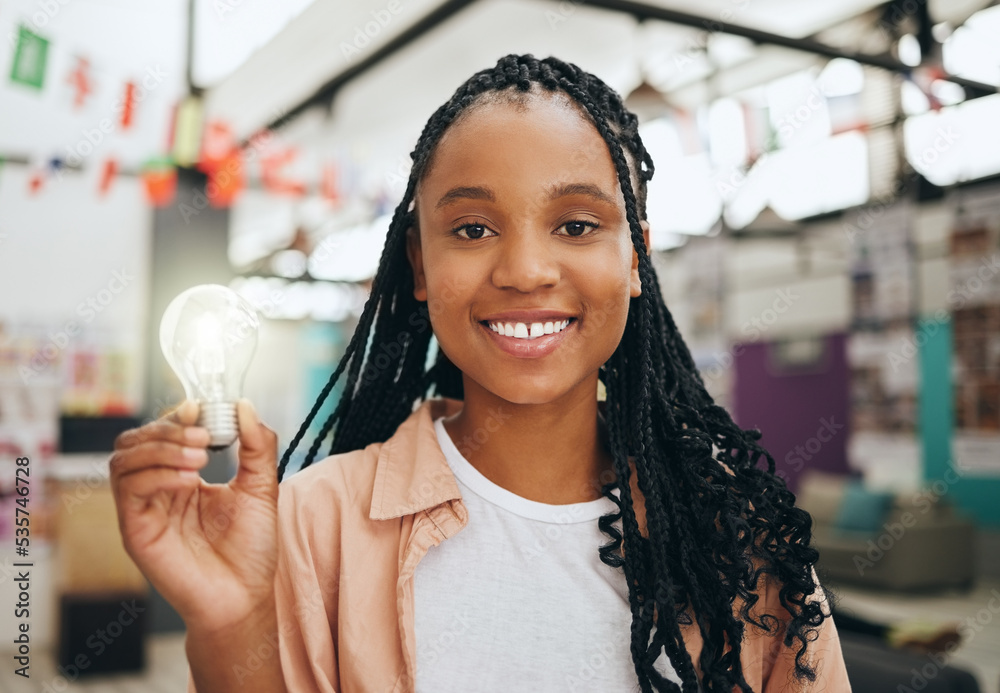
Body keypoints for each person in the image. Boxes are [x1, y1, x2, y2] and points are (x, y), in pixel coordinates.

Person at [111, 54, 850, 692]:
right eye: (471, 229)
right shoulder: (312, 523)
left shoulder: (739, 544)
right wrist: (231, 621)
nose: (526, 270)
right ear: (420, 264)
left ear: (634, 258)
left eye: (577, 225)